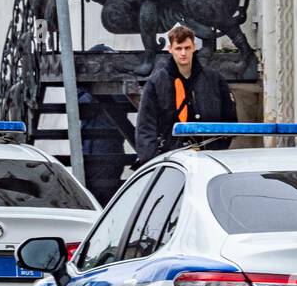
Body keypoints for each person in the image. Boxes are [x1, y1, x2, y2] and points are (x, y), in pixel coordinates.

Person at [134, 24, 238, 166]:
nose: (183, 53)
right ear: (170, 49)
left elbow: (230, 120)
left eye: (187, 48)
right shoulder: (156, 83)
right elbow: (145, 127)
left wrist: (217, 149)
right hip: (170, 160)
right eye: (178, 48)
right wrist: (155, 162)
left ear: (194, 47)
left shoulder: (214, 79)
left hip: (210, 159)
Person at [78, 44, 132, 206]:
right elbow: (81, 108)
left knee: (106, 199)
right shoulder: (82, 89)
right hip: (89, 153)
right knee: (92, 199)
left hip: (109, 152)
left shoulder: (119, 86)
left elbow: (123, 101)